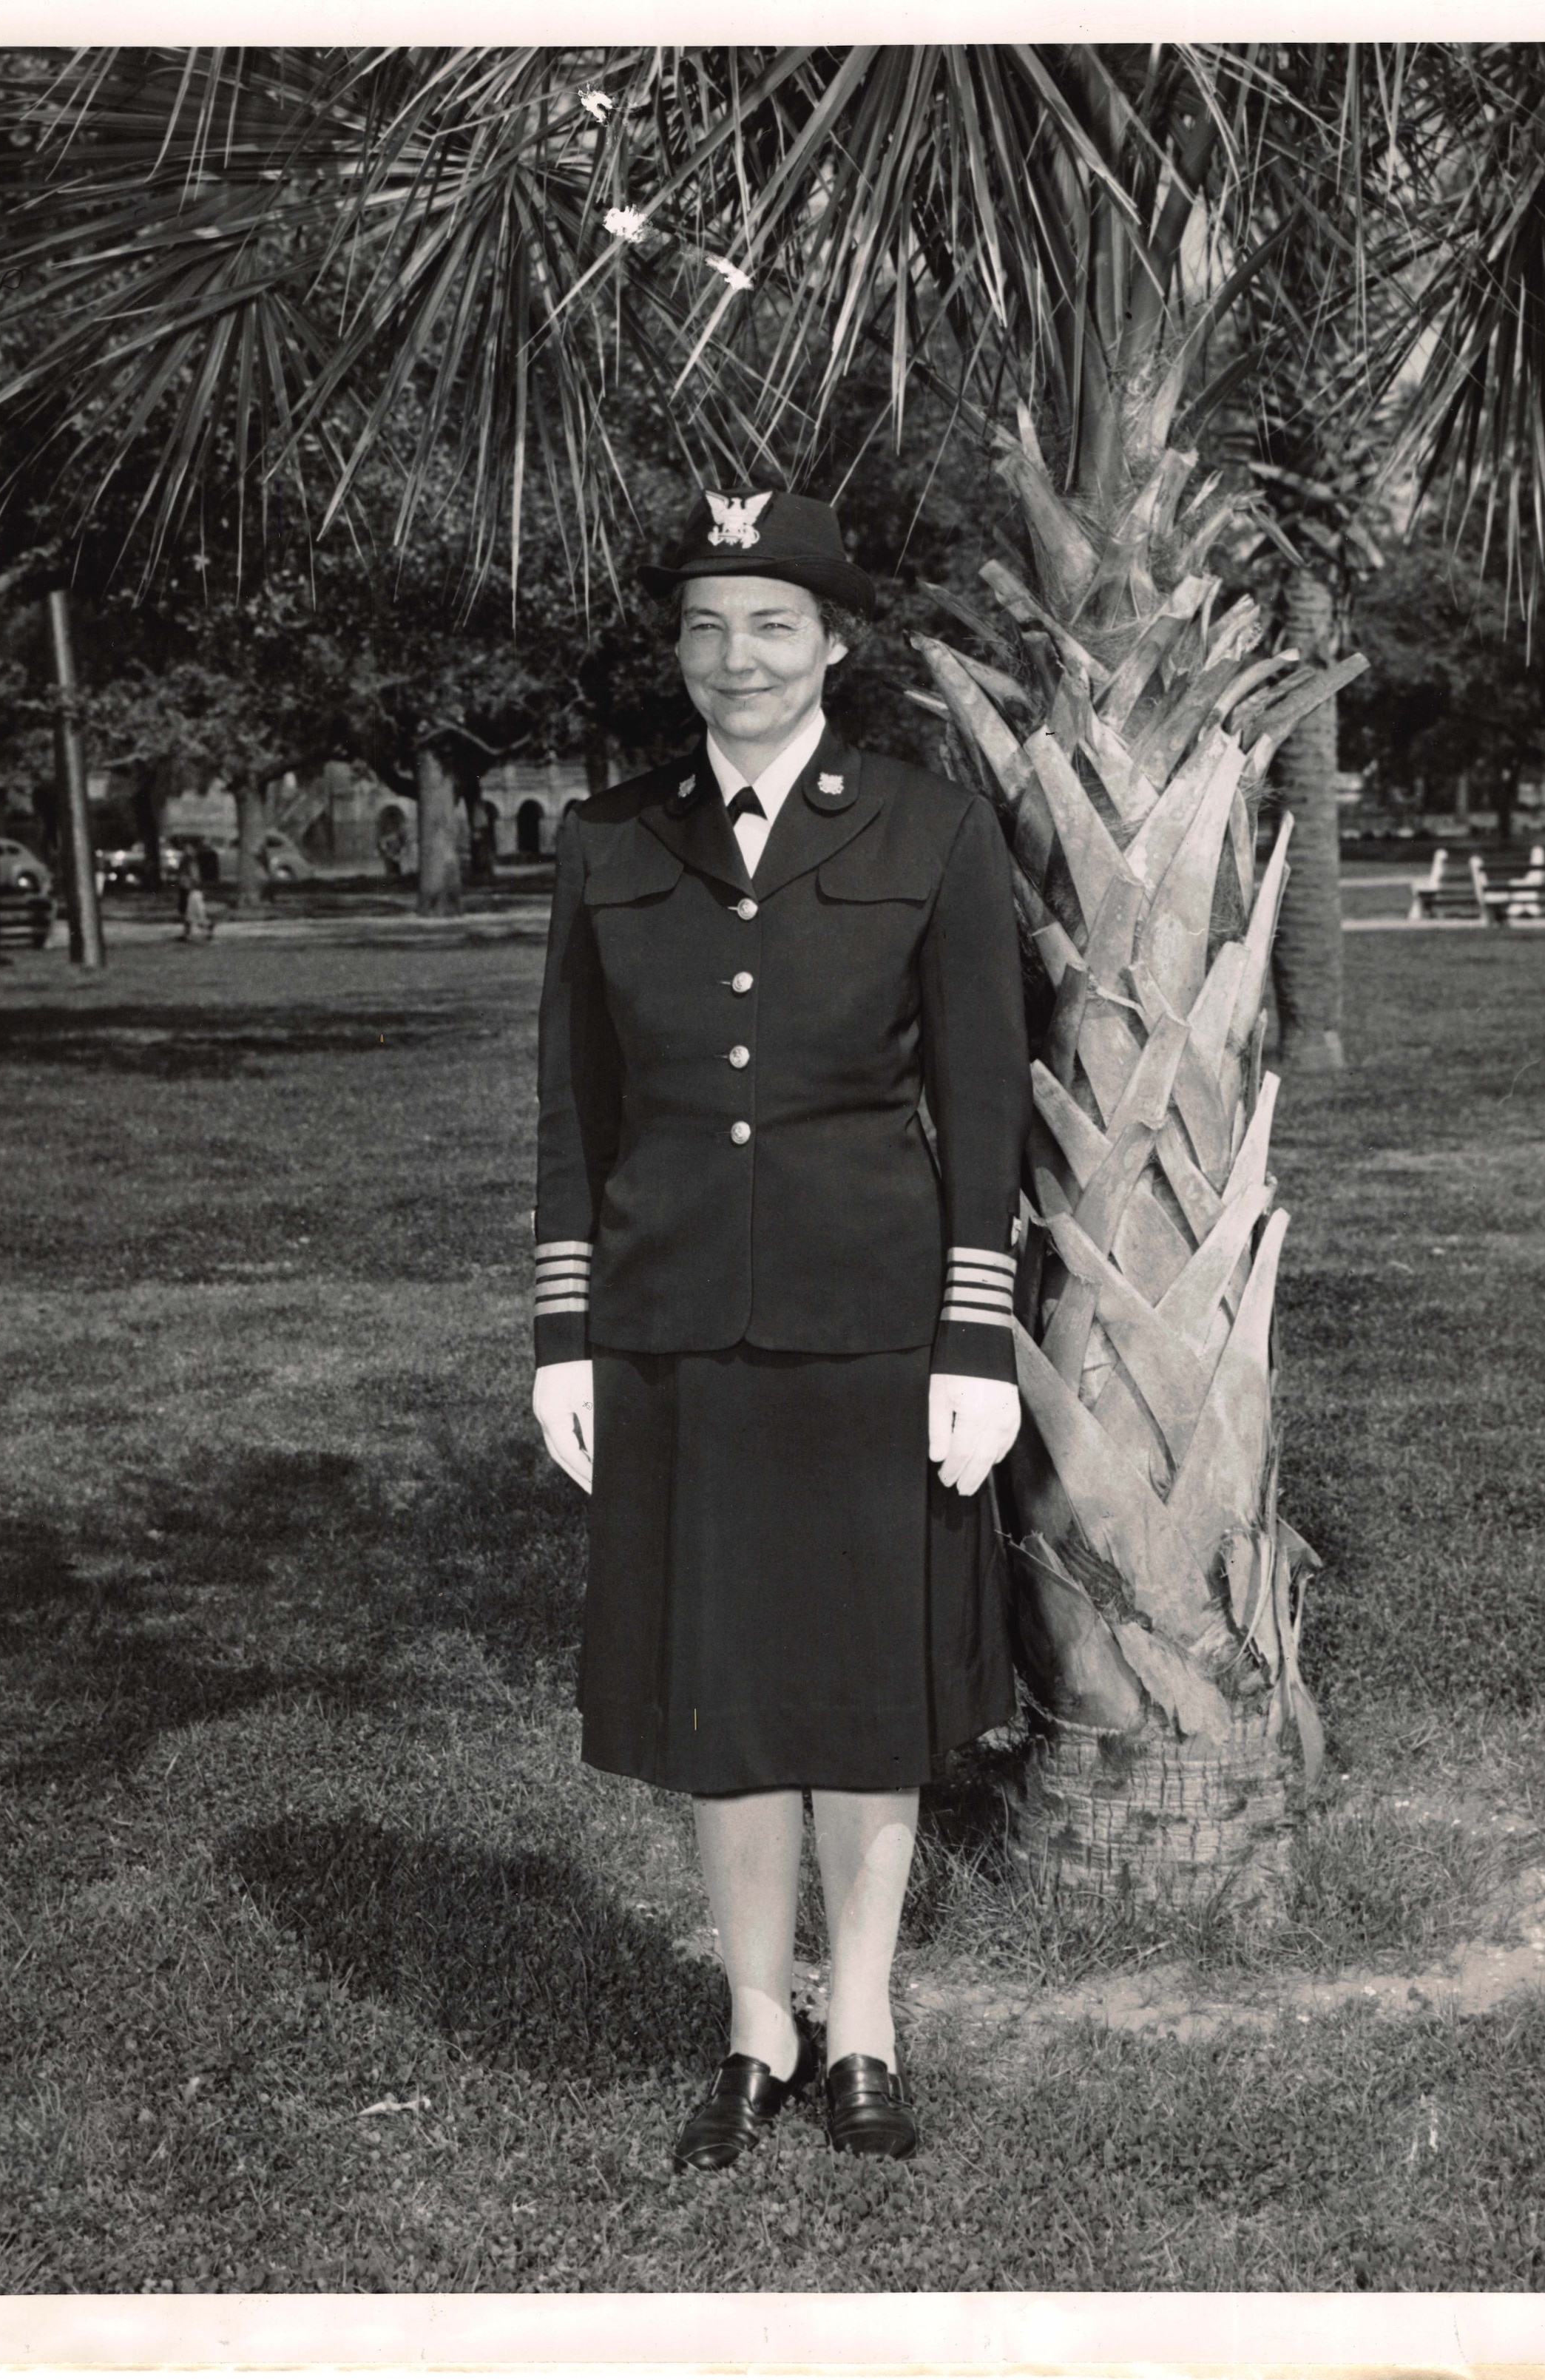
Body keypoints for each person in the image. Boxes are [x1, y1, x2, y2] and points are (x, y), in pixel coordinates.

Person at [530, 490, 1030, 2170]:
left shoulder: (924, 828)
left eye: (768, 624)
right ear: (676, 652)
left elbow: (978, 1103)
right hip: (675, 1329)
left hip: (867, 1328)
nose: (733, 658)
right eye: (701, 626)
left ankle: (866, 2022)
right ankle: (755, 2023)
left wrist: (971, 1344)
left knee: (861, 1701)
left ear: (831, 644)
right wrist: (564, 1337)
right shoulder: (607, 839)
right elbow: (573, 1112)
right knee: (724, 1705)